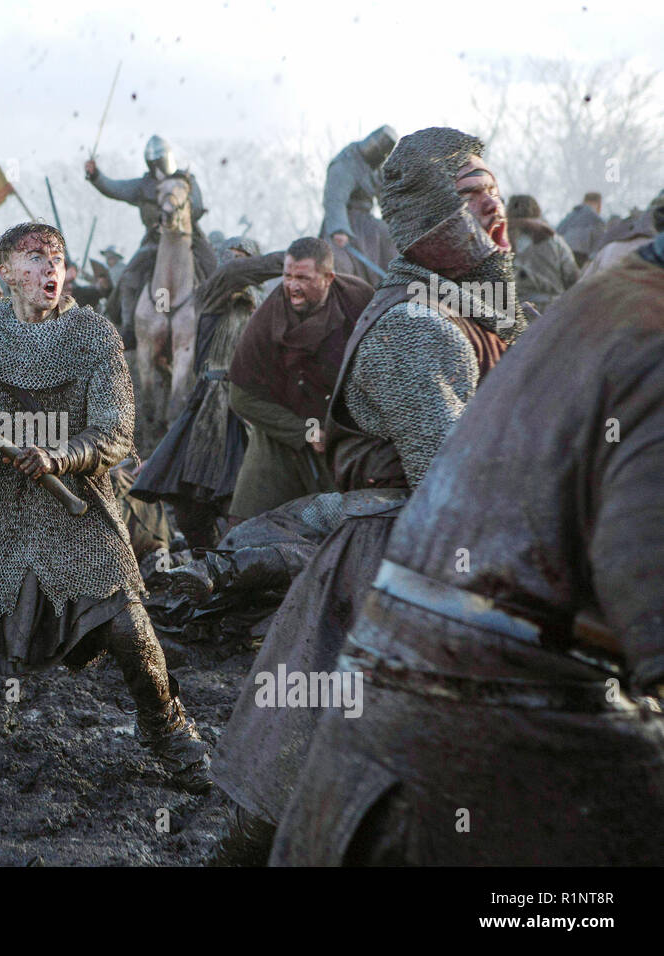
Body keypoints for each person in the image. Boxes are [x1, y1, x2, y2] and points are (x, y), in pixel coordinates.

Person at [274, 233, 664, 866]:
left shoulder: (580, 308)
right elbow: (644, 577)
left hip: (413, 731)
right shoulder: (417, 327)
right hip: (479, 752)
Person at [207, 127, 526, 864]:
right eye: (474, 199)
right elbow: (454, 495)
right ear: (431, 219)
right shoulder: (419, 331)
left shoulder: (463, 313)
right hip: (399, 566)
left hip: (422, 557)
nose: (495, 213)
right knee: (339, 775)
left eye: (496, 194)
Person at [0, 222, 211, 806]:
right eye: (34, 258)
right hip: (2, 514)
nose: (51, 269)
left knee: (129, 625)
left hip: (79, 515)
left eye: (56, 257)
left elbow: (116, 430)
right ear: (7, 271)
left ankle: (173, 737)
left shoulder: (93, 334)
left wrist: (60, 455)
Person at [131, 237, 278, 547]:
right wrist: (294, 257)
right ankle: (203, 562)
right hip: (207, 406)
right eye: (232, 256)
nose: (237, 263)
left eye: (244, 257)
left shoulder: (267, 308)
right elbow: (233, 275)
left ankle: (235, 562)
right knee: (189, 504)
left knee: (241, 498)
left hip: (249, 409)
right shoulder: (211, 295)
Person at [226, 238, 373, 522]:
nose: (292, 286)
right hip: (281, 438)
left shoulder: (359, 299)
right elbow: (240, 397)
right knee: (247, 535)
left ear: (328, 278)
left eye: (303, 278)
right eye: (287, 276)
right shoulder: (266, 320)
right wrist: (304, 432)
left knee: (354, 529)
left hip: (343, 437)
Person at [85, 137, 216, 329]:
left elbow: (196, 206)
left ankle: (212, 324)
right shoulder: (142, 186)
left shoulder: (186, 180)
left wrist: (175, 217)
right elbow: (115, 188)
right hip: (154, 242)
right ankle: (128, 329)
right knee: (128, 279)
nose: (158, 165)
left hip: (189, 239)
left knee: (212, 267)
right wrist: (96, 175)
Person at [321, 125, 399, 285]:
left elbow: (385, 198)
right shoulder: (346, 161)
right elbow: (335, 199)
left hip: (367, 221)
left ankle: (396, 282)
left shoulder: (376, 166)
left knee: (389, 236)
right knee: (341, 263)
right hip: (346, 222)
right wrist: (339, 229)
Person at [507, 194, 580, 313]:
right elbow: (572, 276)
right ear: (537, 211)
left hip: (515, 311)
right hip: (553, 310)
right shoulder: (554, 240)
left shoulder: (502, 241)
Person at [556, 191, 606, 268]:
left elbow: (557, 234)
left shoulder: (569, 217)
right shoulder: (597, 220)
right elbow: (598, 247)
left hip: (562, 257)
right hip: (581, 260)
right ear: (599, 204)